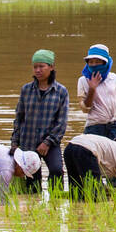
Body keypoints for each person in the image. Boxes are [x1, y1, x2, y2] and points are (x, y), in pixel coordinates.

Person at [10, 49, 69, 193]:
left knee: (56, 170)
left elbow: (61, 122)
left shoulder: (61, 91)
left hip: (50, 142)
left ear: (51, 67)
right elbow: (19, 118)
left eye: (41, 66)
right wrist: (14, 143)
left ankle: (55, 203)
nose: (38, 70)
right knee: (32, 181)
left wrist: (47, 142)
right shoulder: (26, 90)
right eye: (35, 67)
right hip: (28, 142)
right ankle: (33, 208)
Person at [63, 134, 116, 201]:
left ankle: (76, 211)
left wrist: (107, 189)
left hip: (69, 148)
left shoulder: (111, 145)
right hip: (86, 150)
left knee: (76, 191)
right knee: (96, 195)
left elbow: (95, 171)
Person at [77, 44, 116, 140]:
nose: (94, 65)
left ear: (105, 62)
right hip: (94, 127)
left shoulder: (114, 78)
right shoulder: (83, 80)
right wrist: (92, 89)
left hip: (114, 127)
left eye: (97, 62)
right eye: (91, 62)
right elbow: (85, 109)